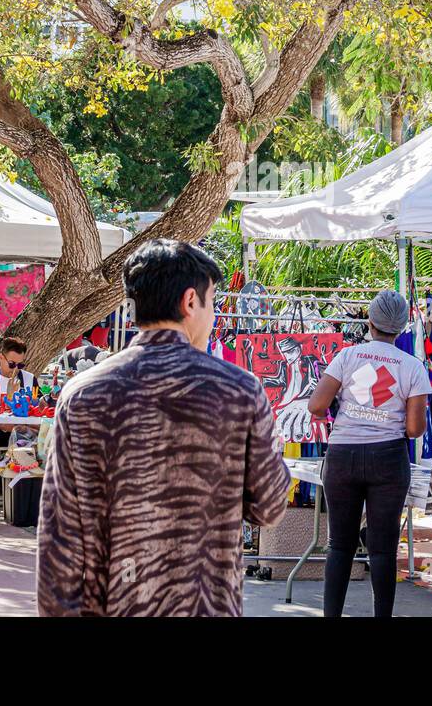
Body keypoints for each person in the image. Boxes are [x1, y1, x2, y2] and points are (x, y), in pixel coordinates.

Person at [37, 239, 291, 617]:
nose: (213, 317)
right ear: (190, 301)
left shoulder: (82, 395)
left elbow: (59, 538)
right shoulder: (239, 391)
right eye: (212, 303)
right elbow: (269, 507)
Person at [306, 290, 431, 618]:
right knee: (383, 550)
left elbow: (316, 406)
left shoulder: (347, 357)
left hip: (343, 456)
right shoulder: (412, 366)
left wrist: (349, 412)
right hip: (388, 460)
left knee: (339, 546)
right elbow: (416, 429)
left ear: (370, 321)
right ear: (403, 327)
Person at [0, 335, 34, 409]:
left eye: (20, 365)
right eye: (11, 364)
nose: (16, 368)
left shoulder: (30, 379)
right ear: (1, 357)